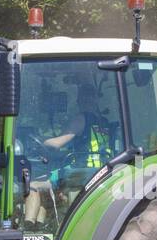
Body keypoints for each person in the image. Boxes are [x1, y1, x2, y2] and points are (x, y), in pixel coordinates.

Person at [23, 83, 112, 226]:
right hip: (99, 168)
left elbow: (57, 143)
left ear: (80, 100)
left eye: (80, 99)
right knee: (48, 188)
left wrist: (40, 140)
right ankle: (40, 227)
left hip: (80, 171)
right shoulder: (104, 122)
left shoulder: (82, 118)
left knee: (34, 184)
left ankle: (28, 224)